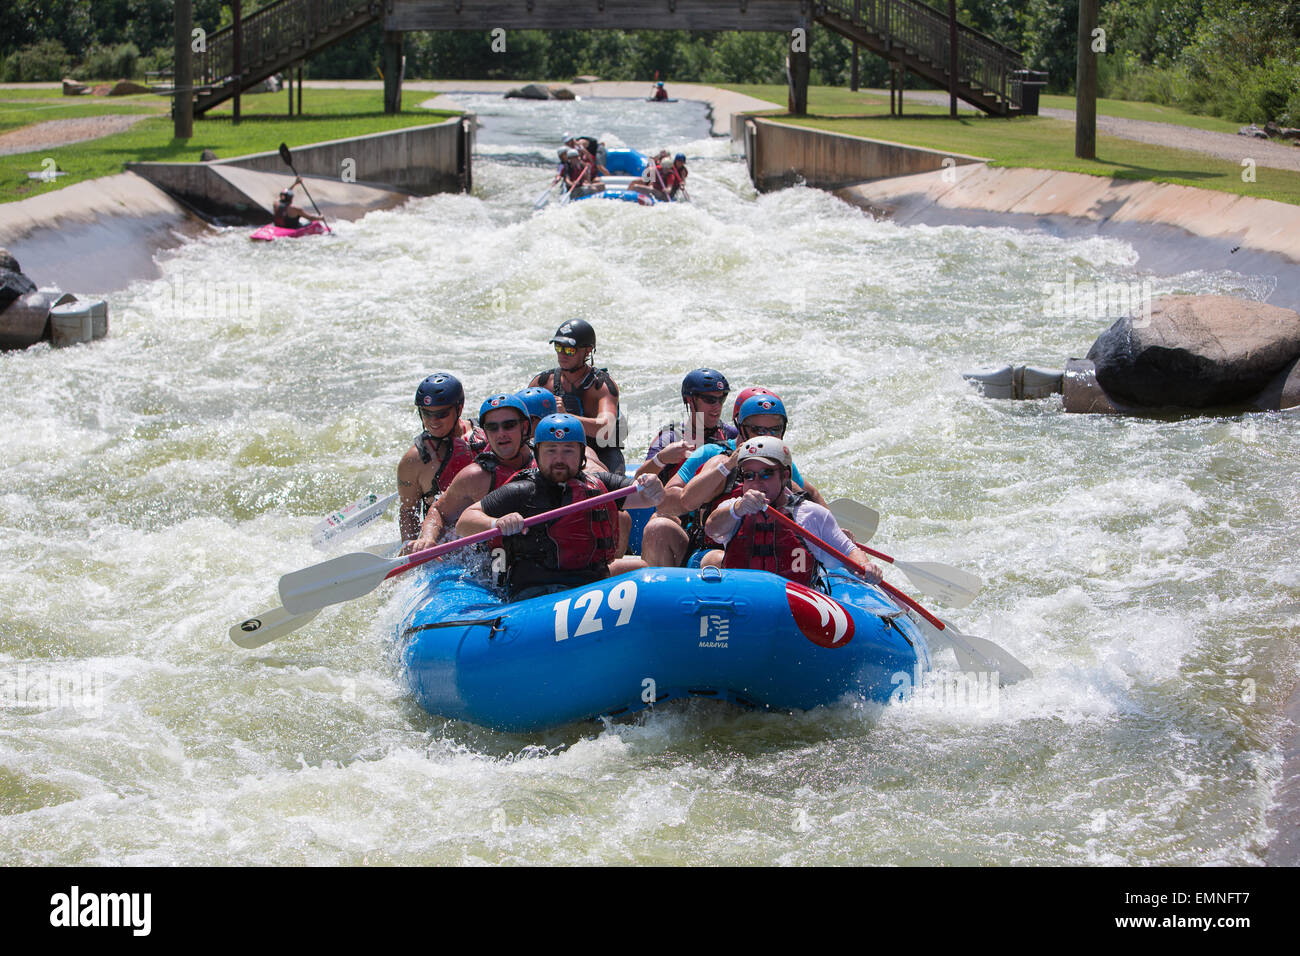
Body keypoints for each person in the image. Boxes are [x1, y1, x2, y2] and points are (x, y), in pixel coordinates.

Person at [457, 413, 665, 602]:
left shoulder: (598, 483)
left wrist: (653, 486)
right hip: (538, 591)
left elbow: (645, 498)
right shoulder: (522, 490)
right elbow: (465, 522)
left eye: (568, 450)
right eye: (551, 451)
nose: (559, 459)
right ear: (537, 454)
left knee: (646, 572)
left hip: (591, 583)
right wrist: (496, 522)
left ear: (581, 453)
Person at [640, 390, 826, 568]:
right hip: (710, 548)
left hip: (760, 549)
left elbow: (810, 495)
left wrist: (834, 531)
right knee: (659, 528)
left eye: (774, 429)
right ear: (741, 428)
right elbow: (669, 502)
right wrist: (727, 467)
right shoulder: (710, 453)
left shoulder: (780, 463)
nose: (766, 436)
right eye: (758, 429)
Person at [702, 437, 883, 585]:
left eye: (766, 473)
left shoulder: (812, 514)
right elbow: (711, 528)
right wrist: (739, 508)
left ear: (785, 476)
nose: (756, 482)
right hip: (742, 605)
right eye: (749, 475)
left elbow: (849, 551)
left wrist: (866, 566)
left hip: (794, 613)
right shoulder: (733, 508)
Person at [403, 393, 535, 554]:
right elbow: (439, 511)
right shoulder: (475, 475)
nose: (501, 433)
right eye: (492, 427)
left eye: (509, 425)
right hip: (491, 560)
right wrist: (427, 538)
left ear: (525, 427)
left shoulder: (547, 460)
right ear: (485, 433)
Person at [396, 373, 486, 542]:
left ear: (459, 408)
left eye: (441, 414)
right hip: (446, 542)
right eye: (426, 413)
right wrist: (411, 549)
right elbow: (408, 511)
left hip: (487, 528)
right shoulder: (414, 460)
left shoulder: (487, 433)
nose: (433, 421)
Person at [528, 319, 625, 474]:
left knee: (614, 489)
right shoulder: (543, 382)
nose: (562, 354)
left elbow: (606, 429)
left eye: (569, 350)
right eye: (558, 347)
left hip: (601, 452)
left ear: (587, 351)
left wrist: (566, 417)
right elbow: (520, 422)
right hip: (557, 450)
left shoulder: (601, 385)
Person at [636, 368, 736, 485]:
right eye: (710, 400)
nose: (717, 406)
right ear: (690, 400)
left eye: (721, 399)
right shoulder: (671, 437)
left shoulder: (731, 434)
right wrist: (661, 459)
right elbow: (638, 479)